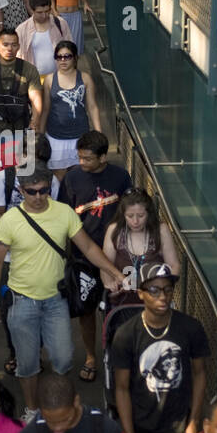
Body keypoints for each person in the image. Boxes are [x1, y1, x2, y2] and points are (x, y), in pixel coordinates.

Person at [0, 167, 130, 419]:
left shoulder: (64, 213)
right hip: (21, 301)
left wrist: (115, 273)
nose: (39, 196)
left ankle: (59, 406)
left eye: (44, 190)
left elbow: (87, 247)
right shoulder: (10, 220)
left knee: (63, 360)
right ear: (21, 191)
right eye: (32, 192)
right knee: (27, 364)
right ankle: (31, 410)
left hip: (56, 301)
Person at [111, 262, 210, 433]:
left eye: (168, 289)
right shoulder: (126, 335)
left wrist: (193, 423)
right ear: (141, 293)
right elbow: (121, 389)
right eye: (154, 290)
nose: (163, 296)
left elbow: (200, 374)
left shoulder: (190, 328)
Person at [60, 132, 132, 384]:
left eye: (88, 158)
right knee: (85, 310)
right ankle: (91, 356)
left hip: (116, 257)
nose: (82, 162)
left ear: (103, 157)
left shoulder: (121, 177)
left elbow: (130, 212)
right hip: (83, 257)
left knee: (116, 309)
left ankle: (117, 357)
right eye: (80, 157)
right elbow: (63, 216)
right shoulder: (71, 178)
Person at [0, 136, 58, 377]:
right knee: (11, 309)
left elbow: (54, 216)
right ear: (20, 156)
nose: (34, 164)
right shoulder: (4, 178)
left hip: (40, 259)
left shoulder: (52, 182)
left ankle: (35, 351)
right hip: (10, 260)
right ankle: (15, 351)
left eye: (40, 161)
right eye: (30, 158)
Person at [101, 188, 180, 318]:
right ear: (123, 215)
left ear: (149, 214)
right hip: (122, 304)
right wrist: (109, 282)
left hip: (154, 303)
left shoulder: (160, 231)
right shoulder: (115, 230)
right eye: (130, 216)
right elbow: (105, 264)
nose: (135, 221)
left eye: (141, 216)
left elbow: (174, 265)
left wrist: (164, 287)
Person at [0, 28, 43, 167]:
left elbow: (36, 99)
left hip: (23, 126)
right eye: (5, 44)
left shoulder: (29, 69)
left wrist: (35, 121)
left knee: (24, 168)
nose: (10, 48)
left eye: (14, 44)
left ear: (18, 46)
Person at [39, 41, 102, 181]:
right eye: (59, 57)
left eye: (67, 56)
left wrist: (99, 134)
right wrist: (40, 135)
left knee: (81, 175)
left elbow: (92, 106)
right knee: (57, 178)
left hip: (80, 136)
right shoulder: (49, 80)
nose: (63, 60)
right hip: (55, 137)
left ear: (75, 58)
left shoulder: (85, 78)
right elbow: (45, 109)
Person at [16, 0, 73, 79]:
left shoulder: (60, 23)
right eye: (40, 12)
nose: (44, 15)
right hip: (34, 79)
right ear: (32, 10)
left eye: (47, 11)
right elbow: (18, 57)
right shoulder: (22, 30)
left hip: (58, 76)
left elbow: (71, 49)